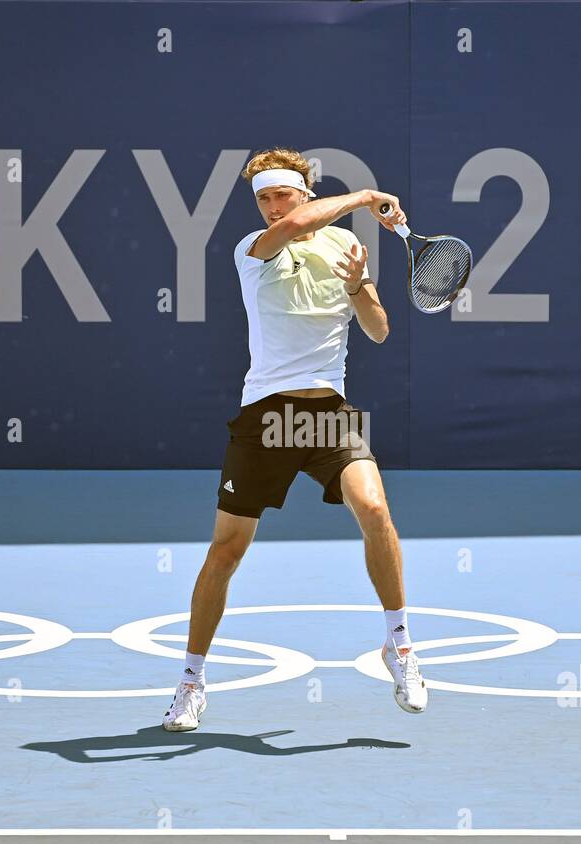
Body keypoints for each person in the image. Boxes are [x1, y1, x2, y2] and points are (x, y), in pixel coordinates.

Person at [162, 146, 427, 732]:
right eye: (262, 197)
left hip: (326, 411)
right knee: (227, 550)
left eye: (282, 193)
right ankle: (191, 680)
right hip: (263, 416)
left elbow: (379, 330)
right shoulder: (253, 248)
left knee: (375, 508)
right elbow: (297, 227)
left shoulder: (343, 247)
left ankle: (399, 645)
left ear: (304, 190)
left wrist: (360, 285)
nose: (273, 206)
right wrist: (363, 196)